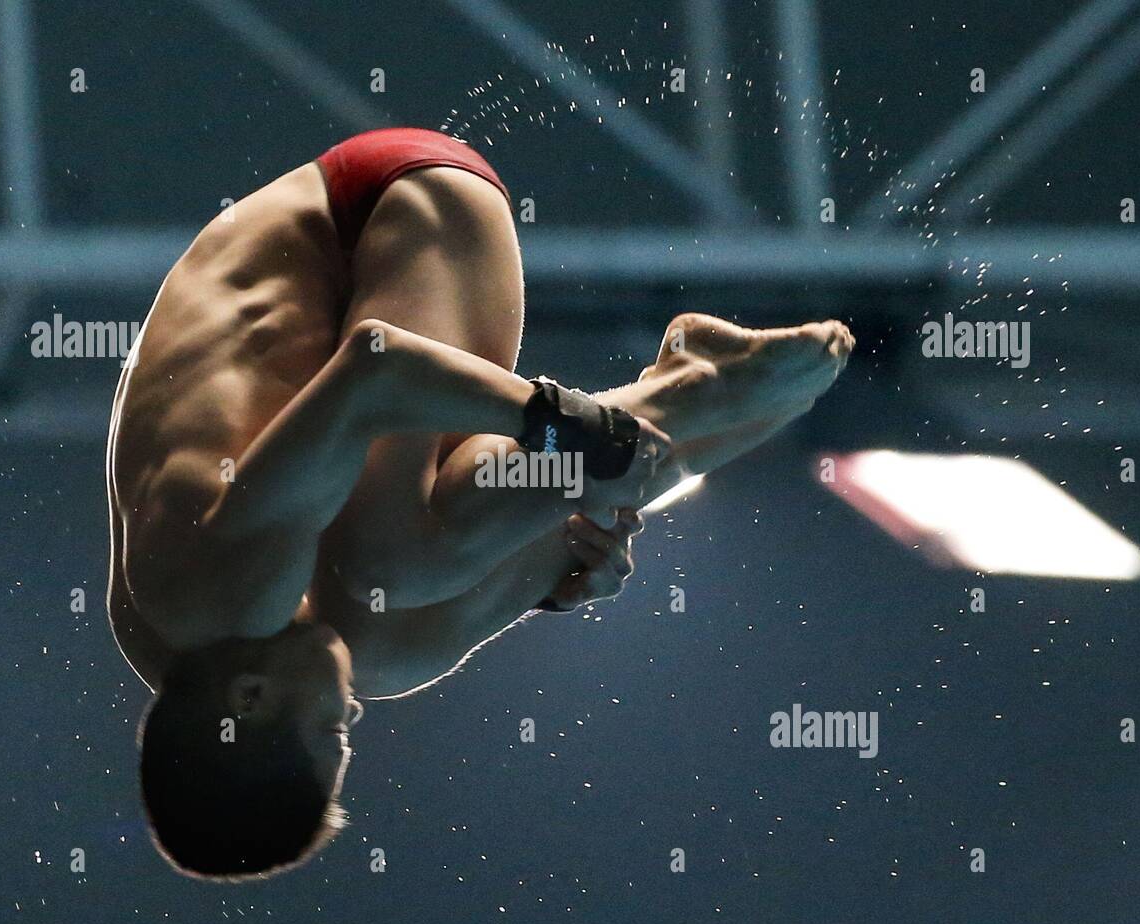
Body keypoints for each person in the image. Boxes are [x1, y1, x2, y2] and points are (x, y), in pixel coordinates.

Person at [105, 127, 853, 879]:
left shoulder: (214, 583)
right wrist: (555, 569)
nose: (353, 716)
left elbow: (376, 365)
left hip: (386, 204)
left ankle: (680, 400)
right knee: (394, 642)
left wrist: (574, 428)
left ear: (254, 693)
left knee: (395, 563)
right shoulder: (196, 658)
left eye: (333, 729)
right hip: (373, 311)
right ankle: (664, 428)